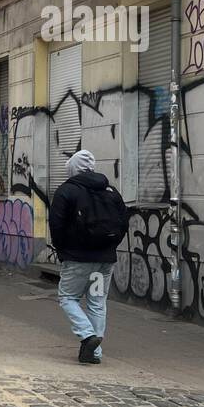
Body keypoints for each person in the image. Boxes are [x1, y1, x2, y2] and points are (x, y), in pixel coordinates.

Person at [48, 149, 129, 365]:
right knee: (97, 302)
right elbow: (123, 222)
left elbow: (56, 224)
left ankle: (87, 336)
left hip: (77, 258)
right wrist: (110, 246)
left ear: (72, 169)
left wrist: (62, 250)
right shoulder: (110, 190)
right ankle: (93, 353)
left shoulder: (67, 191)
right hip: (104, 260)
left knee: (68, 298)